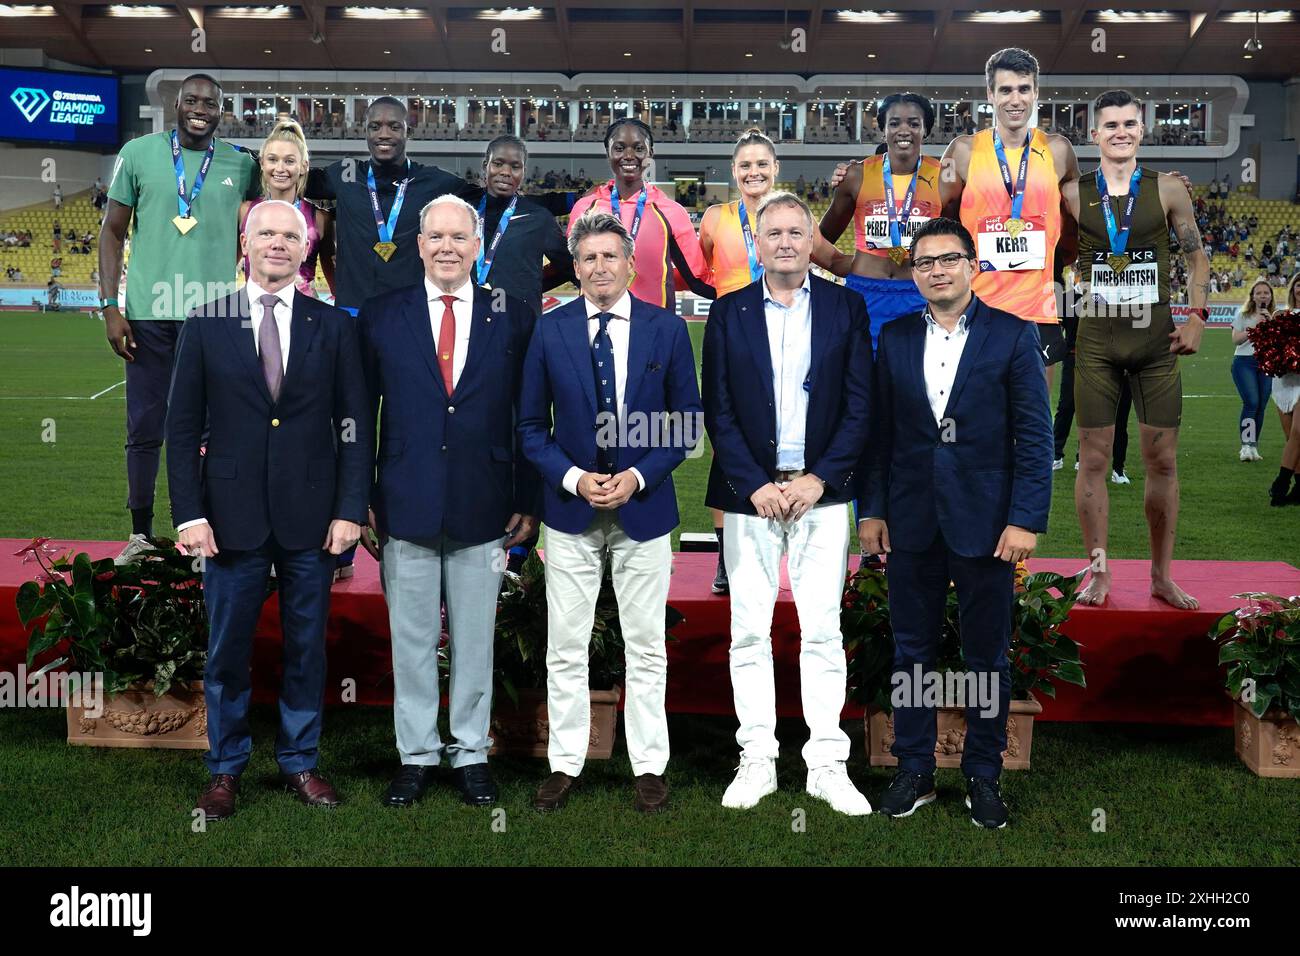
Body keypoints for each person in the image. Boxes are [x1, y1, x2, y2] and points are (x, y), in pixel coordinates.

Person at [165, 199, 372, 821]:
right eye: (266, 234)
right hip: (229, 521)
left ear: (306, 247)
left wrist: (350, 510)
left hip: (313, 519)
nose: (278, 244)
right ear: (245, 242)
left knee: (307, 648)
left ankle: (300, 761)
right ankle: (225, 769)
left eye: (290, 234)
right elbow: (179, 431)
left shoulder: (333, 326)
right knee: (227, 650)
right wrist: (188, 514)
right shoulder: (205, 322)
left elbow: (356, 424)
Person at [858, 217, 1052, 828]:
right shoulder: (891, 338)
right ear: (912, 272)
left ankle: (983, 773)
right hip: (911, 520)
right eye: (924, 262)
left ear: (973, 265)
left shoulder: (1013, 335)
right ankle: (913, 769)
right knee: (912, 653)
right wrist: (873, 510)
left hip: (989, 525)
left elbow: (1033, 436)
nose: (936, 270)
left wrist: (1024, 519)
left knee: (986, 659)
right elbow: (879, 436)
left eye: (947, 259)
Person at [357, 195, 539, 808]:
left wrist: (528, 495)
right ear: (418, 244)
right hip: (403, 501)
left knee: (474, 637)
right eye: (436, 236)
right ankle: (415, 755)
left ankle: (468, 753)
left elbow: (531, 416)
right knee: (409, 640)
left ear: (477, 244)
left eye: (459, 238)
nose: (447, 248)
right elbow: (358, 416)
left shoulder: (512, 315)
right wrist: (360, 498)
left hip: (485, 504)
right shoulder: (382, 315)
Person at [519, 209, 702, 814]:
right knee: (566, 644)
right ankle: (566, 762)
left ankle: (649, 764)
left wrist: (635, 475)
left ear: (631, 264)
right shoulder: (550, 330)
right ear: (575, 269)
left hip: (643, 508)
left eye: (610, 256)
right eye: (588, 258)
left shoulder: (666, 329)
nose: (600, 266)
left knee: (645, 644)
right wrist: (574, 479)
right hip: (571, 512)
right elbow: (528, 428)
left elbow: (684, 424)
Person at [702, 192, 874, 816]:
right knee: (748, 631)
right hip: (749, 495)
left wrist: (817, 480)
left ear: (811, 242)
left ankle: (827, 763)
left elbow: (861, 407)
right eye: (771, 232)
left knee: (823, 630)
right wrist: (753, 484)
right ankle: (758, 758)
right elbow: (716, 408)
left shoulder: (846, 307)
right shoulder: (728, 313)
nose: (783, 242)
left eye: (795, 232)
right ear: (756, 242)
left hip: (819, 496)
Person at [100, 73, 259, 564]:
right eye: (191, 100)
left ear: (221, 110)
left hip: (213, 320)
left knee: (212, 431)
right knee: (146, 426)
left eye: (209, 103)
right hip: (148, 315)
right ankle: (142, 533)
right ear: (176, 105)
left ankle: (202, 533)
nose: (199, 109)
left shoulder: (242, 163)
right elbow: (112, 231)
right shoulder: (139, 154)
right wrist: (110, 305)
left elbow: (259, 226)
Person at [1061, 90, 1208, 609]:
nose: (1120, 132)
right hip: (1097, 341)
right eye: (1110, 125)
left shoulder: (1168, 189)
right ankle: (1099, 573)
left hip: (1157, 341)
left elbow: (1196, 260)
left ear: (1142, 130)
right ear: (1093, 133)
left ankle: (1161, 576)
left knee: (1161, 458)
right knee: (1094, 458)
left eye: (1129, 123)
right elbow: (1049, 252)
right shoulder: (1072, 194)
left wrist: (1196, 318)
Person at [697, 127, 846, 594]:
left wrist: (893, 273)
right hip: (737, 334)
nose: (754, 172)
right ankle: (728, 553)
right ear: (733, 171)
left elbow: (834, 262)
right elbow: (705, 272)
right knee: (728, 446)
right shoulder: (715, 218)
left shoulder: (795, 219)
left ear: (776, 168)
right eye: (745, 165)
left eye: (762, 164)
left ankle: (812, 526)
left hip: (793, 325)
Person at [940, 48, 1081, 378]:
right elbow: (941, 222)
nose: (1015, 99)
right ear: (990, 94)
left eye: (1023, 88)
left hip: (1039, 312)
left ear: (1035, 92)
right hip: (976, 309)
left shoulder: (1059, 150)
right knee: (977, 421)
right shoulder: (962, 151)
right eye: (1005, 90)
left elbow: (1081, 210)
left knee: (1034, 424)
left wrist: (1159, 184)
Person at [820, 92, 942, 349]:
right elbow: (823, 237)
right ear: (883, 130)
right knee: (863, 380)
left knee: (913, 383)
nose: (904, 130)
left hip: (920, 295)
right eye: (895, 123)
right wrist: (842, 264)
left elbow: (959, 241)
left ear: (926, 130)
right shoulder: (856, 175)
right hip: (864, 294)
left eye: (914, 123)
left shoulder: (946, 179)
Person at [566, 118, 708, 310]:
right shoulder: (585, 209)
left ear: (650, 153)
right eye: (619, 148)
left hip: (655, 331)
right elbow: (571, 268)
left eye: (639, 148)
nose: (629, 155)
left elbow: (697, 278)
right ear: (608, 153)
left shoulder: (672, 212)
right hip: (596, 329)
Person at [469, 134, 573, 316]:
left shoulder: (539, 218)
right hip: (469, 321)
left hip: (520, 327)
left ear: (523, 171)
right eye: (498, 163)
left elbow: (570, 267)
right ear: (486, 166)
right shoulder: (464, 210)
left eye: (515, 166)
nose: (506, 172)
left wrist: (532, 286)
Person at [239, 119, 334, 299]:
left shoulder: (320, 219)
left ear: (304, 166)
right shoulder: (245, 211)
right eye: (272, 159)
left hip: (303, 316)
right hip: (253, 313)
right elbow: (230, 264)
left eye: (289, 161)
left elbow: (333, 278)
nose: (280, 168)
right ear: (262, 163)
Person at [1266, 273, 1300, 505]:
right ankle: (1299, 489)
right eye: (1298, 284)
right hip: (1283, 380)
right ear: (1292, 288)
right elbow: (1269, 348)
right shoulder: (1281, 315)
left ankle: (1280, 484)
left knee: (1298, 433)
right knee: (1292, 438)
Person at [1233, 278, 1275, 462]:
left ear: (1271, 296)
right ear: (1252, 296)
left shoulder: (1275, 315)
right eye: (1258, 293)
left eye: (1266, 292)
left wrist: (1271, 322)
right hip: (1244, 362)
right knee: (1251, 402)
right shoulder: (1243, 315)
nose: (1262, 295)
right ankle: (1245, 446)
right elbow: (1236, 340)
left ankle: (1253, 446)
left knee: (1261, 406)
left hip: (1267, 363)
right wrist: (1255, 325)